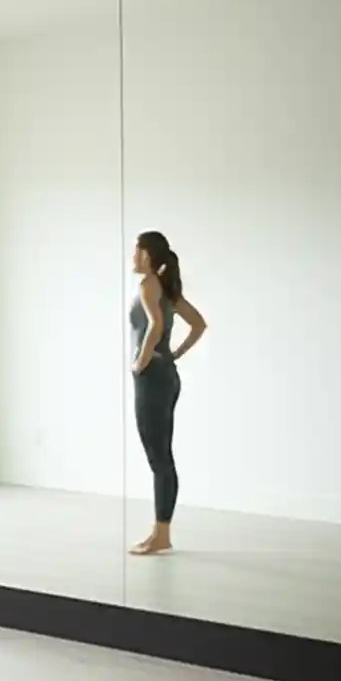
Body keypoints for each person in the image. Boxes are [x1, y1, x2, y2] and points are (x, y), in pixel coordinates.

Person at [128, 231, 206, 556]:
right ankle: (161, 532)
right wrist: (173, 356)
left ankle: (161, 535)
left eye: (136, 250)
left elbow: (155, 325)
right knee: (162, 456)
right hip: (168, 377)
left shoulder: (148, 285)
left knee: (158, 457)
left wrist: (141, 362)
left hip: (153, 379)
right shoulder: (167, 289)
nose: (132, 256)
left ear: (146, 254)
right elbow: (198, 324)